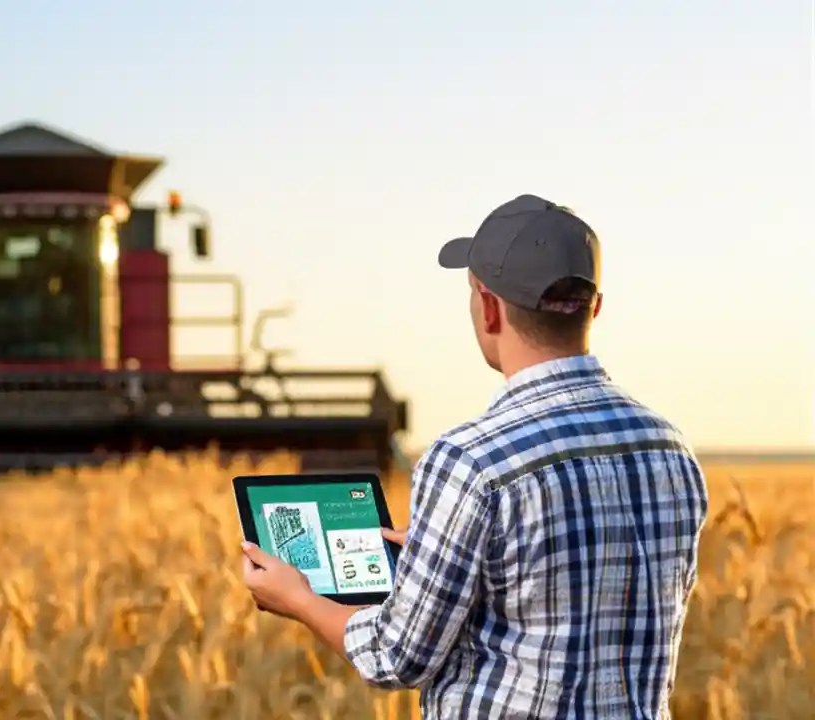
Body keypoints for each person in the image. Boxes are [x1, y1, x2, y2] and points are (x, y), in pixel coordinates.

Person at [240, 194, 708, 718]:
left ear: (487, 307)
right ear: (594, 307)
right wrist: (452, 556)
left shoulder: (472, 461)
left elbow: (395, 656)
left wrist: (298, 598)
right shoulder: (670, 446)